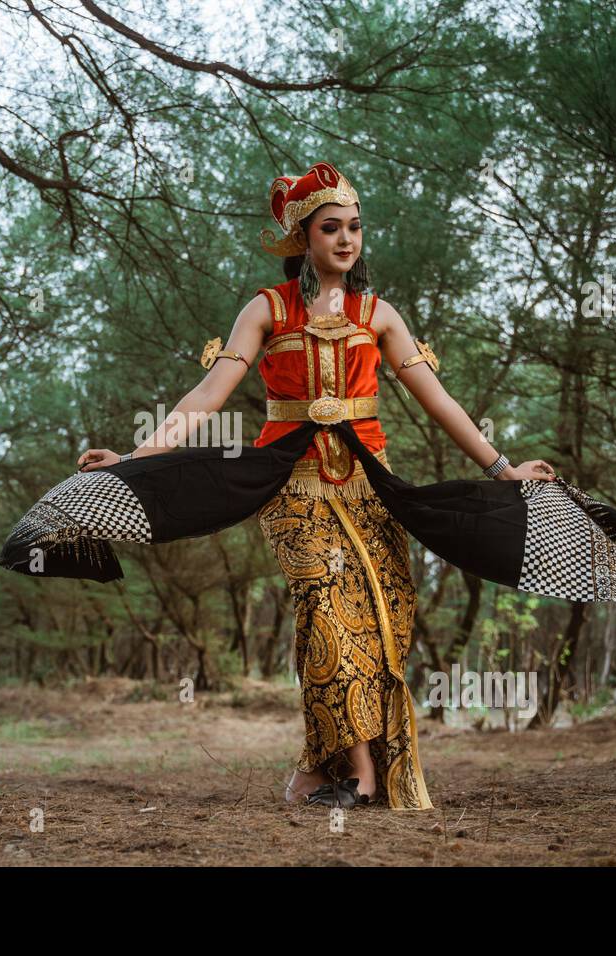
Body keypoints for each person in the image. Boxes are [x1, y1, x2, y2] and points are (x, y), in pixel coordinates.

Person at [70, 162, 562, 810]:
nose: (346, 239)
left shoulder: (379, 314)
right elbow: (208, 395)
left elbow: (439, 400)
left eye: (355, 227)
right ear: (305, 238)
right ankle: (357, 776)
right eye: (331, 228)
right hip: (293, 487)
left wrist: (504, 469)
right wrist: (137, 458)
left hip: (369, 487)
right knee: (326, 611)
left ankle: (318, 771)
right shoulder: (267, 309)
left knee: (382, 625)